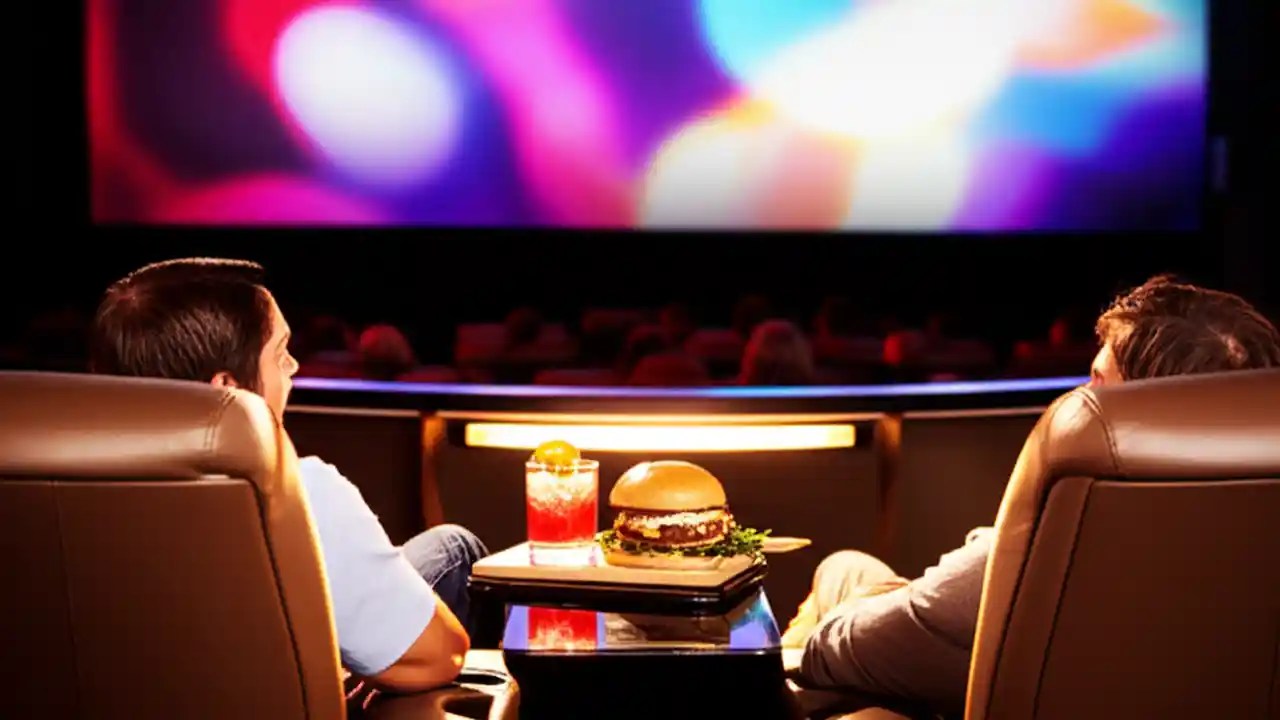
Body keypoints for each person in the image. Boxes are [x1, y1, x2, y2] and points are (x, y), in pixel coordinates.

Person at [785, 274, 1280, 715]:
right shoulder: (1252, 548)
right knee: (848, 567)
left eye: (1096, 385)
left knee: (832, 666)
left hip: (907, 657)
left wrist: (847, 621)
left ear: (1141, 413)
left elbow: (839, 654)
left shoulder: (1043, 554)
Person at [89, 258, 488, 693]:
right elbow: (437, 656)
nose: (294, 367)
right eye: (280, 354)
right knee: (455, 549)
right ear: (228, 389)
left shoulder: (50, 497)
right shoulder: (297, 492)